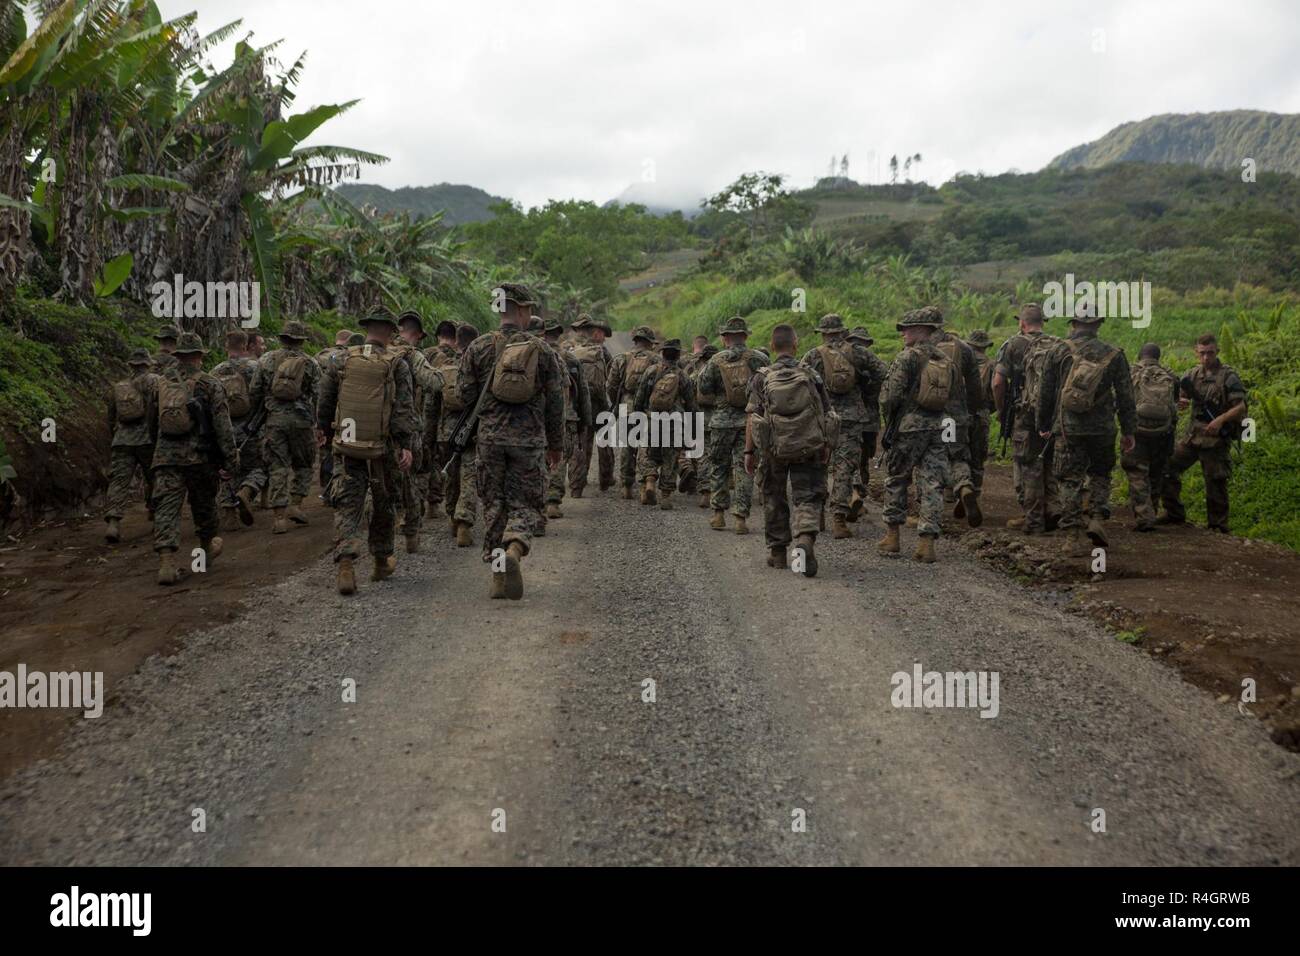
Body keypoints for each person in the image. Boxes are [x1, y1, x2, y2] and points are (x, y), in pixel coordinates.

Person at [458, 283, 564, 599]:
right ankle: (515, 548)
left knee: (493, 506)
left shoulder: (477, 347)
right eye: (528, 308)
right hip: (528, 440)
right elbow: (557, 400)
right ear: (519, 310)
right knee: (526, 503)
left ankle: (497, 578)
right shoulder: (543, 350)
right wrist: (556, 443)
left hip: (489, 439)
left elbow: (463, 394)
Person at [318, 312, 417, 594]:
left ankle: (346, 562)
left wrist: (322, 429)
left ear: (367, 328)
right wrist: (405, 444)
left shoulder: (341, 359)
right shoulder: (397, 363)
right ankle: (381, 560)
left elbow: (325, 398)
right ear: (390, 331)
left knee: (348, 500)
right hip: (382, 446)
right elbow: (403, 409)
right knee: (384, 501)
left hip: (346, 443)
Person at [1036, 301, 1137, 553]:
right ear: (1098, 324)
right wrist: (1129, 430)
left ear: (1073, 323)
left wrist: (1043, 424)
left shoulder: (1059, 351)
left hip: (1068, 428)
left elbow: (1045, 393)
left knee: (1069, 479)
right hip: (1103, 428)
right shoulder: (1114, 354)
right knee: (1101, 474)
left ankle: (1072, 536)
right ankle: (1097, 518)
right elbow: (1126, 396)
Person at [151, 333, 239, 585]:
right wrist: (231, 461)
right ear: (200, 356)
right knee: (204, 507)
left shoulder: (160, 383)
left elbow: (151, 422)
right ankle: (203, 554)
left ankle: (167, 563)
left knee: (166, 508)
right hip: (199, 458)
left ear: (178, 356)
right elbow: (223, 427)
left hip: (165, 457)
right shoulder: (210, 384)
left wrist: (155, 452)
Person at [746, 324, 833, 575]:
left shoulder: (761, 376)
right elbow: (827, 412)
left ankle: (778, 553)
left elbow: (752, 417)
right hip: (808, 444)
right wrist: (826, 444)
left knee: (774, 496)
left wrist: (749, 452)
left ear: (772, 347)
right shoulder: (810, 374)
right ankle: (804, 539)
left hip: (774, 448)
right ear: (795, 345)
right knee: (807, 495)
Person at [878, 309, 953, 563]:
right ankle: (926, 543)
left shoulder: (907, 357)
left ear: (922, 330)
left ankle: (892, 537)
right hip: (939, 427)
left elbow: (890, 396)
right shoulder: (944, 359)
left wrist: (889, 419)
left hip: (909, 427)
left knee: (897, 478)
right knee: (932, 482)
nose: (903, 333)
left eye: (907, 329)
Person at [800, 313, 883, 538]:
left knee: (818, 464)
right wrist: (864, 389)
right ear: (842, 332)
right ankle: (839, 519)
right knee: (844, 467)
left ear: (823, 333)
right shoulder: (858, 352)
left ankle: (817, 515)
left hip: (823, 418)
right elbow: (882, 373)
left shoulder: (813, 355)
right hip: (852, 418)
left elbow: (801, 382)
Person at [1160, 333, 1248, 533]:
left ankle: (1217, 526)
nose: (1206, 357)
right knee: (1167, 466)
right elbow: (1180, 396)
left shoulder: (1228, 376)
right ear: (1196, 353)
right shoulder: (1192, 375)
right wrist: (1180, 402)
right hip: (1193, 436)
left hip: (1215, 439)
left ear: (1217, 351)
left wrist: (1221, 419)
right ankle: (1174, 513)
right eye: (1202, 353)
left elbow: (1240, 407)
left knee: (1215, 482)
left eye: (1210, 353)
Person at [992, 303, 1062, 534]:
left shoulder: (1013, 345)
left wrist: (1002, 412)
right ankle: (1053, 508)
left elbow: (998, 382)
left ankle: (1034, 521)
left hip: (1026, 414)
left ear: (1022, 323)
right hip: (1055, 415)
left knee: (1029, 465)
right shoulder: (1059, 345)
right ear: (1043, 323)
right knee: (1049, 461)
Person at [697, 316, 769, 533]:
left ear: (725, 338)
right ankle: (740, 519)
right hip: (749, 423)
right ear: (745, 336)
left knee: (718, 466)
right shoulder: (760, 359)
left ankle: (718, 515)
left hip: (720, 423)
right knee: (745, 468)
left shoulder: (716, 360)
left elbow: (704, 388)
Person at [251, 320, 321, 534]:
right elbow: (318, 394)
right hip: (302, 421)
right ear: (301, 341)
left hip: (275, 421)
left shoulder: (266, 360)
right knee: (304, 464)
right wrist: (318, 423)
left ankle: (279, 518)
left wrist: (265, 408)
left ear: (282, 339)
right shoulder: (310, 363)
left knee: (278, 466)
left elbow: (254, 390)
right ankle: (296, 504)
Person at [392, 310, 445, 553]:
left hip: (373, 430)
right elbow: (433, 383)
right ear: (417, 334)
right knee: (411, 480)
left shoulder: (373, 351)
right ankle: (411, 534)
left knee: (379, 479)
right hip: (408, 429)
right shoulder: (412, 355)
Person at [928, 308, 985, 527]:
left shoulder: (918, 348)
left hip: (929, 416)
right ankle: (964, 486)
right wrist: (970, 411)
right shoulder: (963, 348)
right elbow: (975, 387)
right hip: (955, 416)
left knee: (929, 461)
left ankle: (928, 511)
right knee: (957, 456)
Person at [210, 330, 266, 531]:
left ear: (226, 347)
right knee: (260, 466)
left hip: (223, 430)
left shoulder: (215, 371)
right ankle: (247, 490)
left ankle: (228, 514)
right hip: (251, 428)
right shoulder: (254, 367)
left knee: (226, 470)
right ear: (245, 346)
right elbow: (263, 396)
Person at [632, 337, 696, 510]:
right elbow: (690, 404)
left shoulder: (651, 371)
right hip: (675, 422)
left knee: (648, 452)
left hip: (653, 419)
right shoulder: (682, 375)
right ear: (677, 355)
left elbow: (640, 398)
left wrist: (637, 418)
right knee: (671, 457)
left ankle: (650, 479)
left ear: (662, 353)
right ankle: (666, 496)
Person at [1123, 343, 1180, 531]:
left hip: (1137, 431)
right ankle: (1152, 512)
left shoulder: (1130, 373)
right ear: (1158, 357)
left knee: (1137, 473)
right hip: (1164, 433)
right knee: (1156, 472)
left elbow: (1123, 401)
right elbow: (1176, 404)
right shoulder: (1170, 376)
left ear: (1140, 356)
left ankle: (1143, 516)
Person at [103, 348, 159, 542]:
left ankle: (113, 521)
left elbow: (111, 417)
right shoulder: (154, 381)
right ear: (148, 364)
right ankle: (156, 516)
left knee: (119, 481)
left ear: (130, 365)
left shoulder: (119, 386)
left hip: (122, 440)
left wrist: (115, 436)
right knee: (155, 479)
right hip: (147, 440)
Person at [544, 317, 592, 517]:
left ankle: (538, 502)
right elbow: (582, 392)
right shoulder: (570, 359)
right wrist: (585, 422)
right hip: (567, 416)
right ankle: (553, 501)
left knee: (538, 459)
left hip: (536, 418)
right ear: (559, 334)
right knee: (559, 459)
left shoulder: (533, 353)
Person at [606, 326, 660, 498]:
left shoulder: (621, 358)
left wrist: (618, 401)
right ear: (650, 343)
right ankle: (647, 482)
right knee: (647, 445)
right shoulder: (657, 360)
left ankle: (626, 486)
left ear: (635, 341)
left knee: (627, 447)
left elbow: (611, 385)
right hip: (650, 408)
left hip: (626, 407)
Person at [566, 315, 610, 499]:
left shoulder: (569, 349)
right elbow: (611, 374)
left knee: (580, 445)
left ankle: (576, 485)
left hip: (577, 404)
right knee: (604, 441)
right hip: (599, 403)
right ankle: (606, 479)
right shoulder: (600, 350)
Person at [846, 326, 887, 521]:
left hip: (848, 417)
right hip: (869, 420)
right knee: (863, 460)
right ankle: (859, 495)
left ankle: (853, 494)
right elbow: (886, 382)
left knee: (848, 458)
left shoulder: (842, 360)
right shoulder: (874, 364)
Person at [423, 319, 461, 518]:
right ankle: (437, 502)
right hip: (449, 422)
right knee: (445, 461)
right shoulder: (458, 357)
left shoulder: (426, 354)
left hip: (425, 417)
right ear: (456, 339)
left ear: (438, 336)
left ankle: (419, 505)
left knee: (423, 459)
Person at [963, 329, 996, 501]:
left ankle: (955, 488)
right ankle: (974, 491)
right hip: (981, 415)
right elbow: (996, 389)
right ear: (985, 347)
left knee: (952, 451)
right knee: (977, 456)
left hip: (955, 417)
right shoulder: (991, 365)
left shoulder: (957, 362)